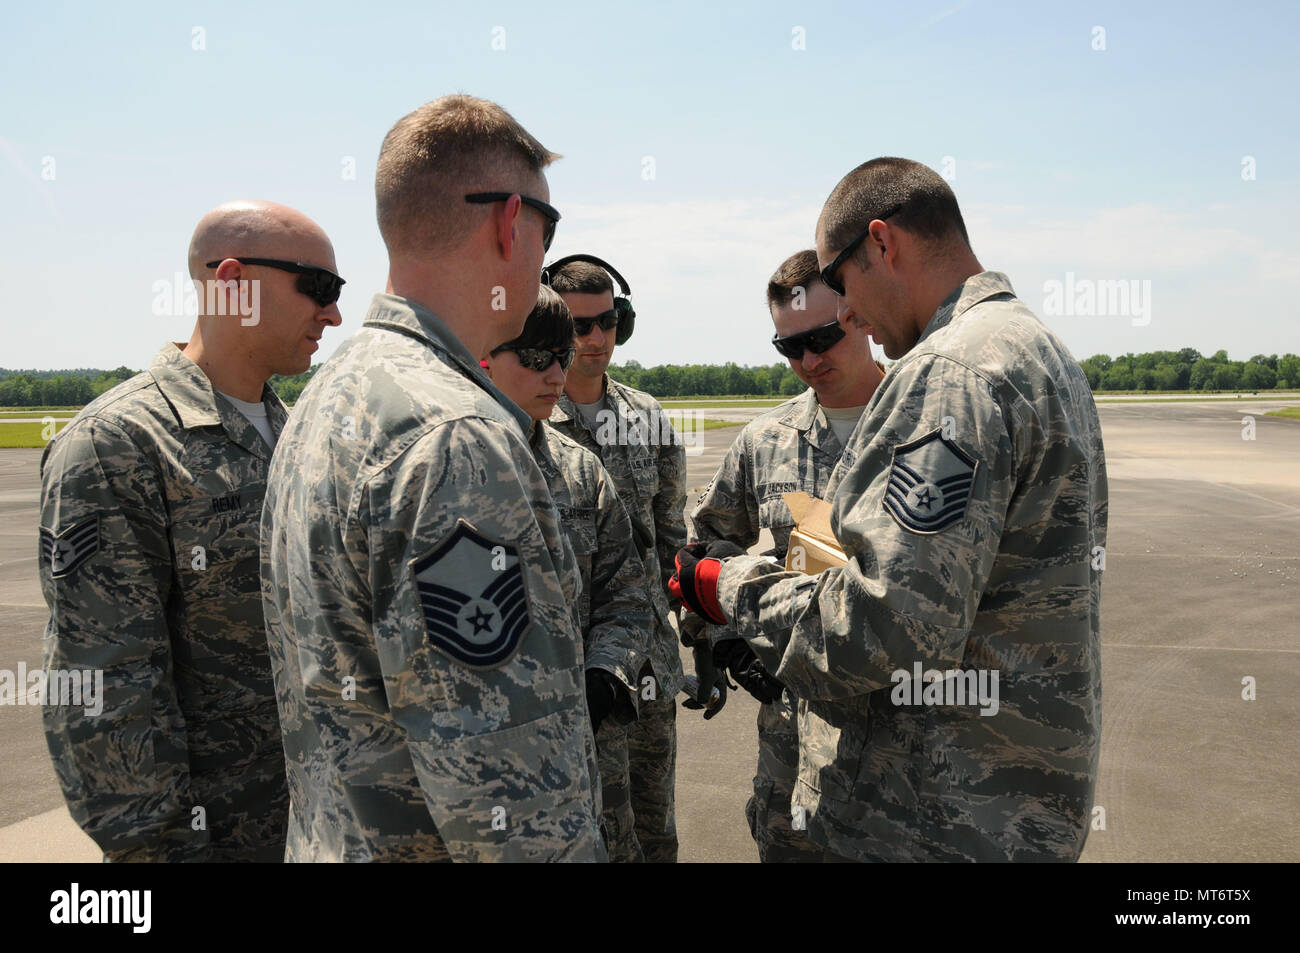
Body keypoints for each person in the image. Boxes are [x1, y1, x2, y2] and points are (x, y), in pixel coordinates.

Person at [671, 157, 1108, 862]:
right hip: (1012, 814)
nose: (846, 314)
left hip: (929, 819)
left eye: (842, 286)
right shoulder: (1038, 350)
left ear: (883, 243)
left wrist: (729, 586)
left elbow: (880, 624)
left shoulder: (947, 373)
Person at [261, 94, 607, 862]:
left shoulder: (327, 395)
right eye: (548, 229)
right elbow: (513, 799)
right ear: (509, 222)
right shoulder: (457, 435)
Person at [38, 200, 344, 861]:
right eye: (318, 288)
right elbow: (104, 687)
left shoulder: (297, 436)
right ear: (232, 282)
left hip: (314, 827)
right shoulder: (117, 444)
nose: (334, 313)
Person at [688, 248, 884, 862]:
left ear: (861, 315)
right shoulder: (765, 441)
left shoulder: (921, 429)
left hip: (900, 746)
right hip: (790, 736)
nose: (808, 361)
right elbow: (700, 549)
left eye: (822, 337)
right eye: (789, 347)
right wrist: (720, 638)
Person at [483, 285, 656, 862]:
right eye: (535, 357)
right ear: (484, 355)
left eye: (561, 355)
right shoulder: (449, 468)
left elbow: (626, 593)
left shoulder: (582, 471)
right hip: (488, 749)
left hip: (589, 734)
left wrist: (606, 672)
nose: (555, 372)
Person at [545, 256, 687, 863]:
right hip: (577, 677)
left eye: (608, 321)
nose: (596, 339)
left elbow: (673, 542)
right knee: (598, 833)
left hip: (651, 663)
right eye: (580, 326)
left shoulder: (647, 418)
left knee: (656, 828)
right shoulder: (526, 421)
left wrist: (705, 646)